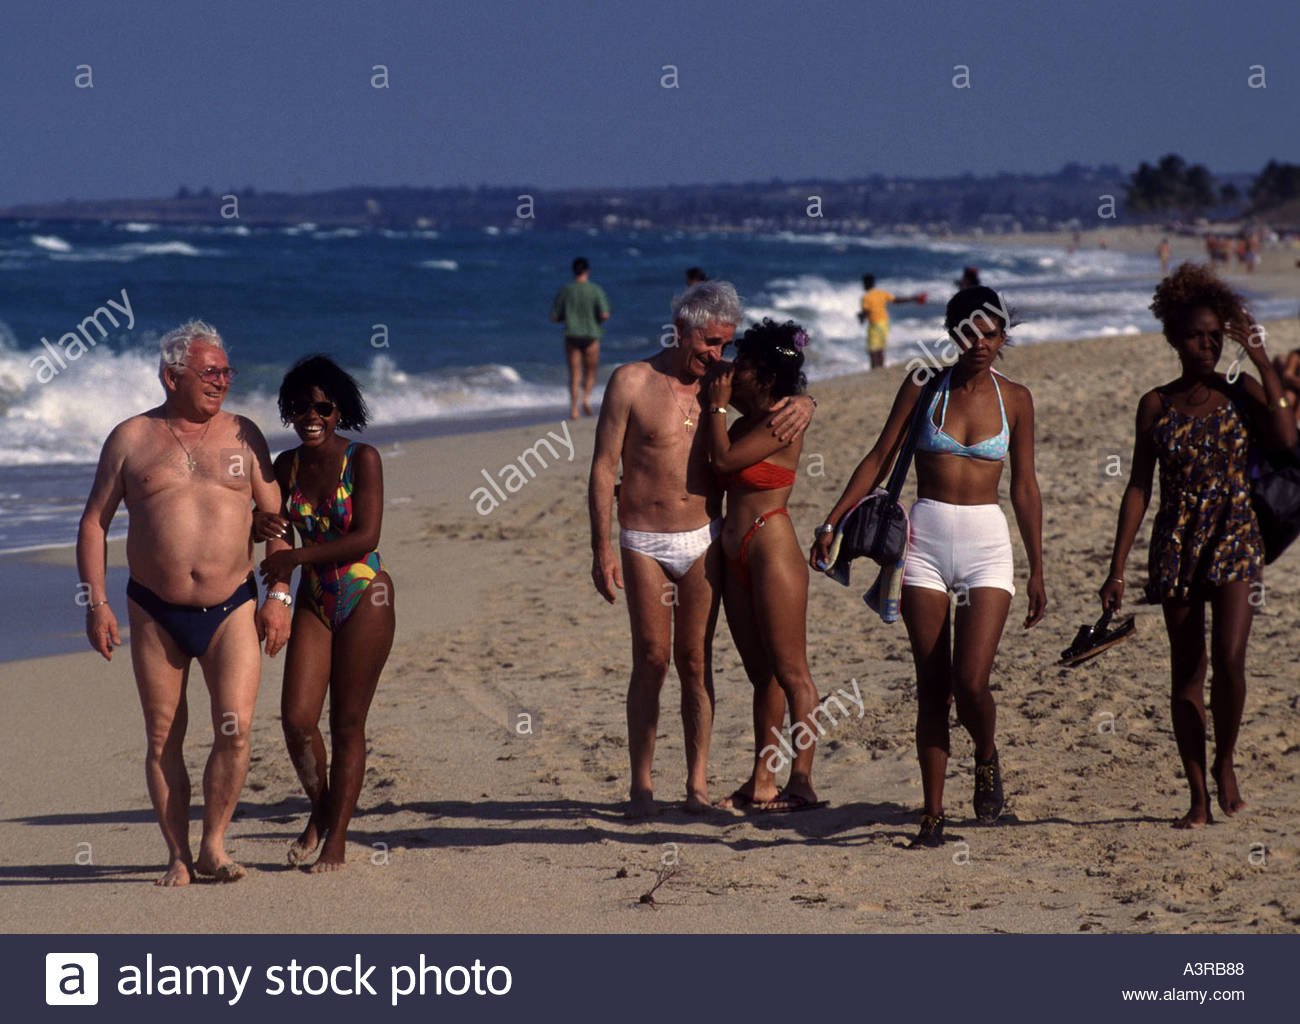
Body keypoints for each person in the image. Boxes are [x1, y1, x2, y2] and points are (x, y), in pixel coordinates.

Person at [812, 287, 1046, 847]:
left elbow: (1025, 485)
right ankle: (933, 816)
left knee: (971, 682)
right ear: (952, 333)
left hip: (988, 547)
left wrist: (1038, 567)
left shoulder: (1015, 398)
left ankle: (986, 755)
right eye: (970, 333)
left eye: (992, 333)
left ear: (1003, 337)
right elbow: (879, 456)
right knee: (932, 684)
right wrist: (832, 521)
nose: (982, 344)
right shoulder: (923, 385)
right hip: (924, 546)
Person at [76, 320, 292, 886]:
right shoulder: (130, 438)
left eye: (227, 371)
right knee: (162, 734)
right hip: (154, 610)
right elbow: (95, 523)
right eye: (210, 371)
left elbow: (278, 521)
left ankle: (213, 845)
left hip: (233, 607)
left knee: (236, 729)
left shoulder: (245, 435)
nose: (223, 380)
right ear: (172, 376)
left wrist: (279, 594)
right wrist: (95, 603)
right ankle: (177, 853)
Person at [587, 282, 815, 816]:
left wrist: (807, 400)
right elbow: (602, 467)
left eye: (725, 345)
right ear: (681, 329)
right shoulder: (631, 381)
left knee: (696, 662)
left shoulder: (720, 384)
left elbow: (778, 389)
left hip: (704, 539)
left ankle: (697, 787)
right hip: (643, 538)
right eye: (710, 342)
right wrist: (602, 547)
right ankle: (641, 788)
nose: (718, 356)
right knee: (652, 658)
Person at [1100, 264, 1296, 828]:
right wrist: (1117, 569)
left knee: (1231, 660)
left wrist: (1260, 357)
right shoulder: (1155, 405)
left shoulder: (1242, 391)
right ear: (1172, 338)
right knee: (1186, 671)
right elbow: (1139, 487)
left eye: (1216, 335)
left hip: (1237, 534)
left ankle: (1225, 761)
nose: (1207, 344)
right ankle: (1197, 795)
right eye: (1195, 335)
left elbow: (1286, 439)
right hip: (1177, 542)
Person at [253, 356, 397, 871]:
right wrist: (258, 530)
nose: (310, 416)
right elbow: (274, 529)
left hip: (365, 592)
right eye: (299, 407)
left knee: (347, 724)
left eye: (322, 406)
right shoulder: (285, 466)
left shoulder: (364, 458)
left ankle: (335, 839)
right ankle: (322, 809)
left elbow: (367, 536)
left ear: (340, 410)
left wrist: (294, 557)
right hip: (314, 597)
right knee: (296, 719)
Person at [707, 319, 824, 811]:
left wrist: (715, 403)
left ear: (768, 375)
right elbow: (705, 379)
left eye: (747, 364)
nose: (736, 370)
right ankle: (761, 780)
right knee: (763, 676)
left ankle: (802, 780)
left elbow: (725, 462)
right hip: (736, 551)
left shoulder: (782, 418)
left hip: (771, 545)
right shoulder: (747, 416)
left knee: (792, 670)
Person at [551, 257, 611, 419]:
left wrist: (569, 316)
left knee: (574, 373)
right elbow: (604, 314)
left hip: (572, 335)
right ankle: (585, 398)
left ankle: (573, 408)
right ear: (587, 271)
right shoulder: (595, 290)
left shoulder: (566, 290)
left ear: (573, 271)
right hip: (591, 335)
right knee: (590, 371)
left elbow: (554, 317)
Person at [858, 273, 926, 370]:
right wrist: (913, 298)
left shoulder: (866, 297)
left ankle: (874, 369)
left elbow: (866, 311)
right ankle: (881, 368)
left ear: (865, 283)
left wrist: (861, 317)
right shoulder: (881, 293)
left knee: (873, 349)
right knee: (880, 348)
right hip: (885, 323)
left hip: (874, 324)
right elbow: (897, 300)